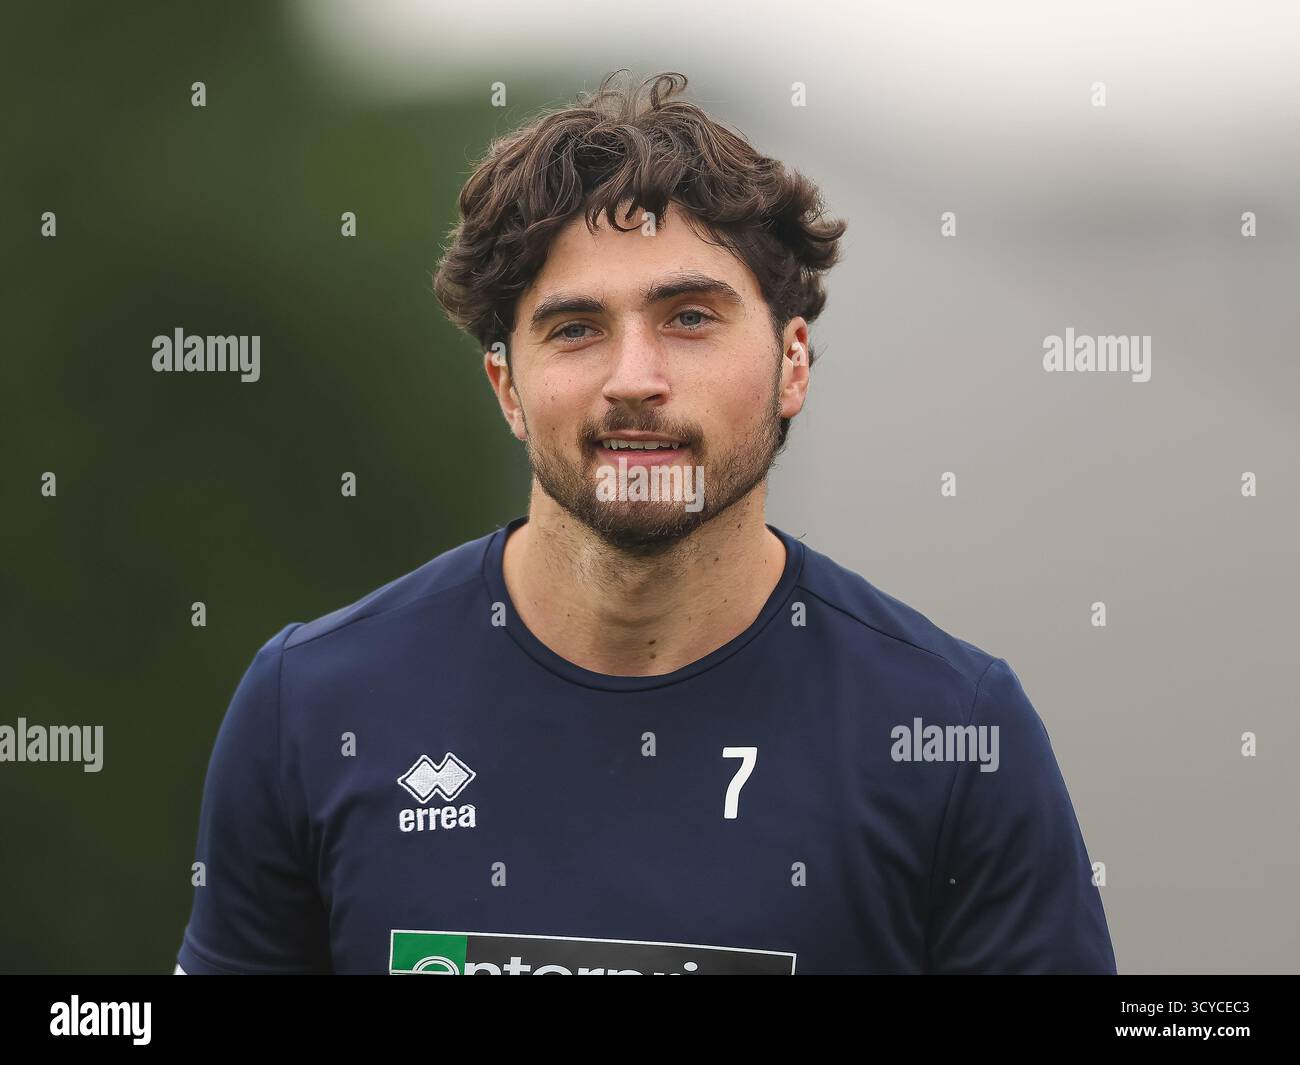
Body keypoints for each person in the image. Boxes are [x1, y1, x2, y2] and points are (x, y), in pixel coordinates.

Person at [174, 70, 1115, 975]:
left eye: (690, 317)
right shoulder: (312, 706)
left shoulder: (952, 730)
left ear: (793, 364)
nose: (634, 377)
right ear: (507, 384)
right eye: (576, 328)